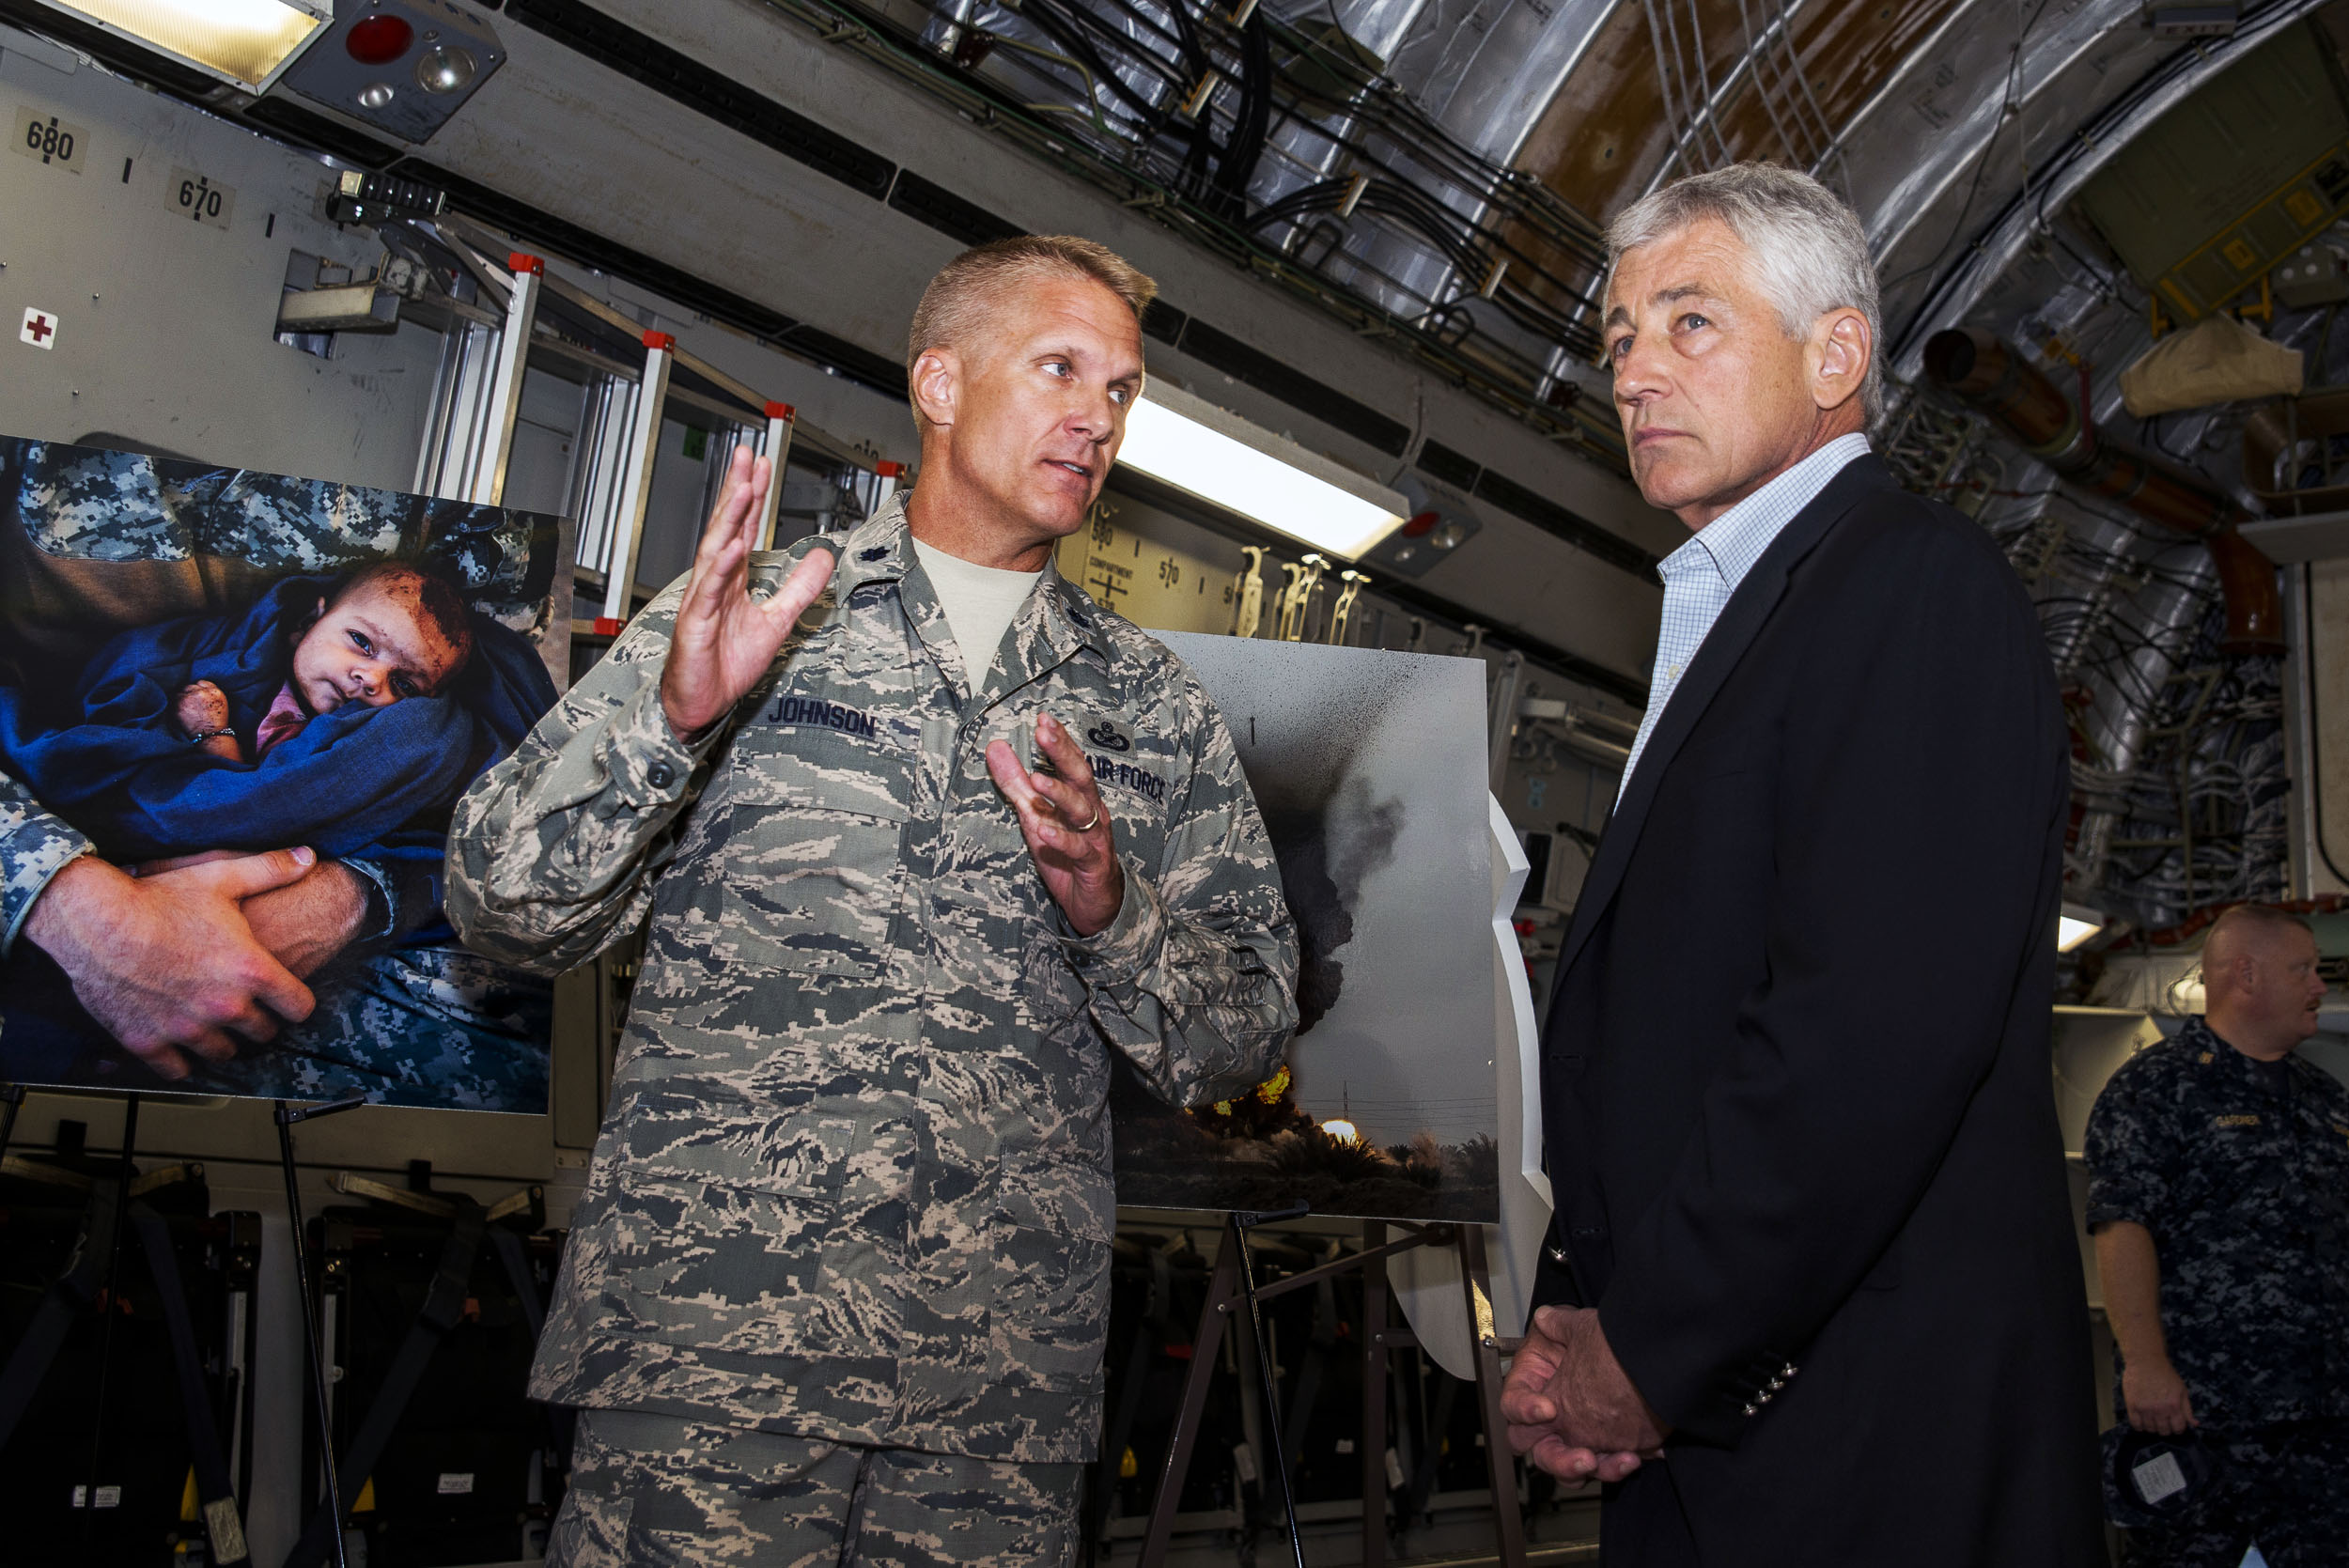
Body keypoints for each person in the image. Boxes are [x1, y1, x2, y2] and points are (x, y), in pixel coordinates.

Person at [445, 235, 1299, 1564]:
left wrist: (1111, 907)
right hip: (712, 1360)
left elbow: (1243, 1031)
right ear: (941, 386)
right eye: (1061, 367)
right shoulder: (764, 618)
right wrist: (665, 732)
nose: (1098, 416)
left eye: (1123, 391)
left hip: (990, 1398)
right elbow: (504, 907)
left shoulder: (1146, 703)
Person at [1499, 162, 2103, 1563]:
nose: (1635, 369)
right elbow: (1669, 1034)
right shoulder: (1752, 608)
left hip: (1861, 1447)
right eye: (1619, 338)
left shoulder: (1911, 587)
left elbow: (1861, 1041)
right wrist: (1584, 1308)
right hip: (1732, 1425)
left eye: (1690, 321)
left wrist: (1654, 1348)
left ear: (1837, 354)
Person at [2084, 903, 2349, 1565]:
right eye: (2305, 970)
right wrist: (2145, 1362)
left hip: (2323, 1423)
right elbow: (2122, 1225)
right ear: (2246, 975)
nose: (2321, 985)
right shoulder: (2156, 1088)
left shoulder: (2326, 1100)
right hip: (2207, 1415)